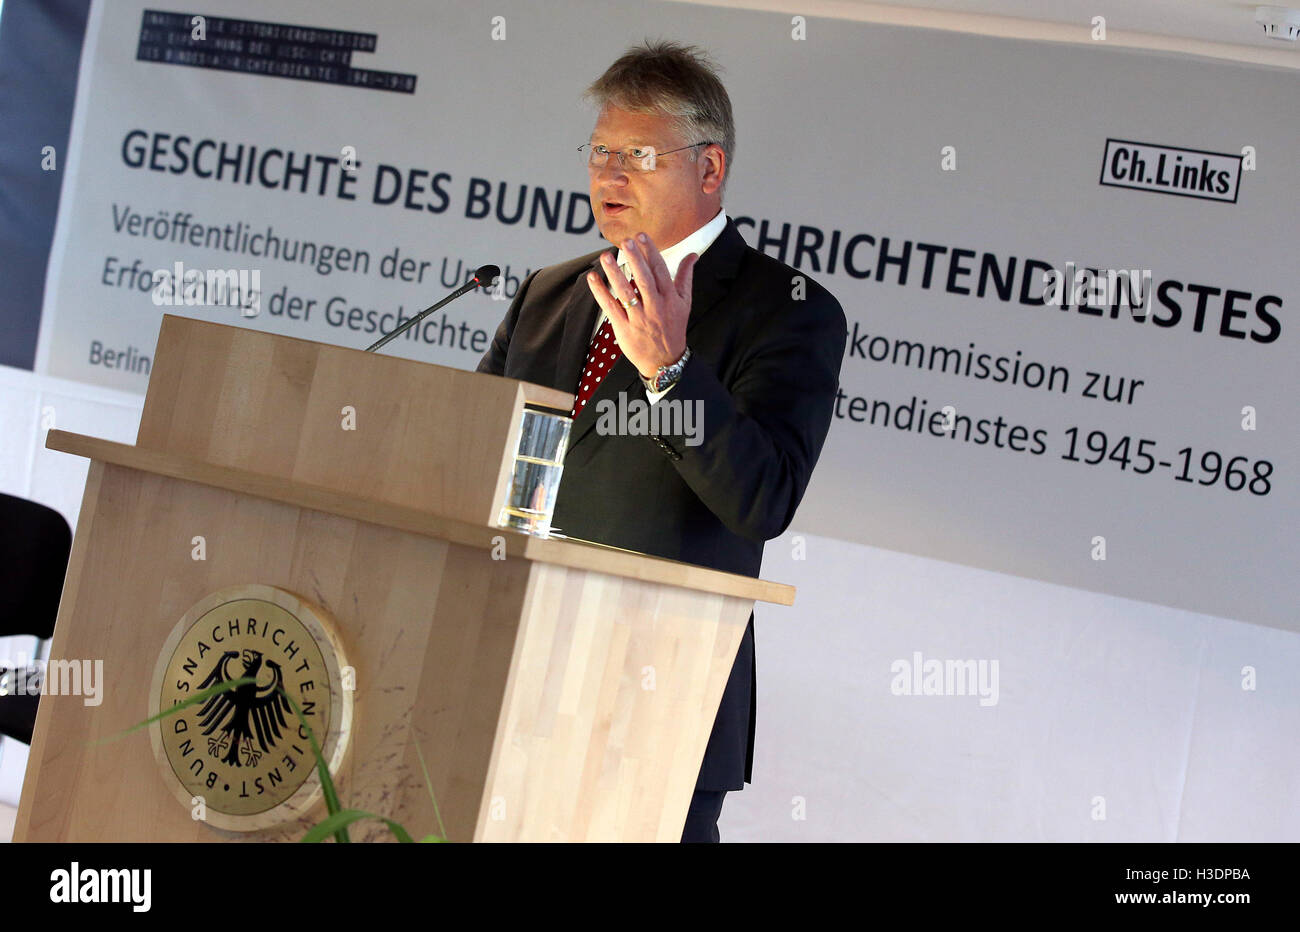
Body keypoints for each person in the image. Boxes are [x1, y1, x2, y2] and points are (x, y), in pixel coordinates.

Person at [476, 40, 846, 842]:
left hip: (656, 701)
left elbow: (763, 498)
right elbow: (474, 459)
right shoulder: (550, 294)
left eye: (637, 157)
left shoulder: (787, 308)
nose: (608, 178)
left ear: (709, 171)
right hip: (505, 675)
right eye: (600, 153)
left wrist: (671, 373)